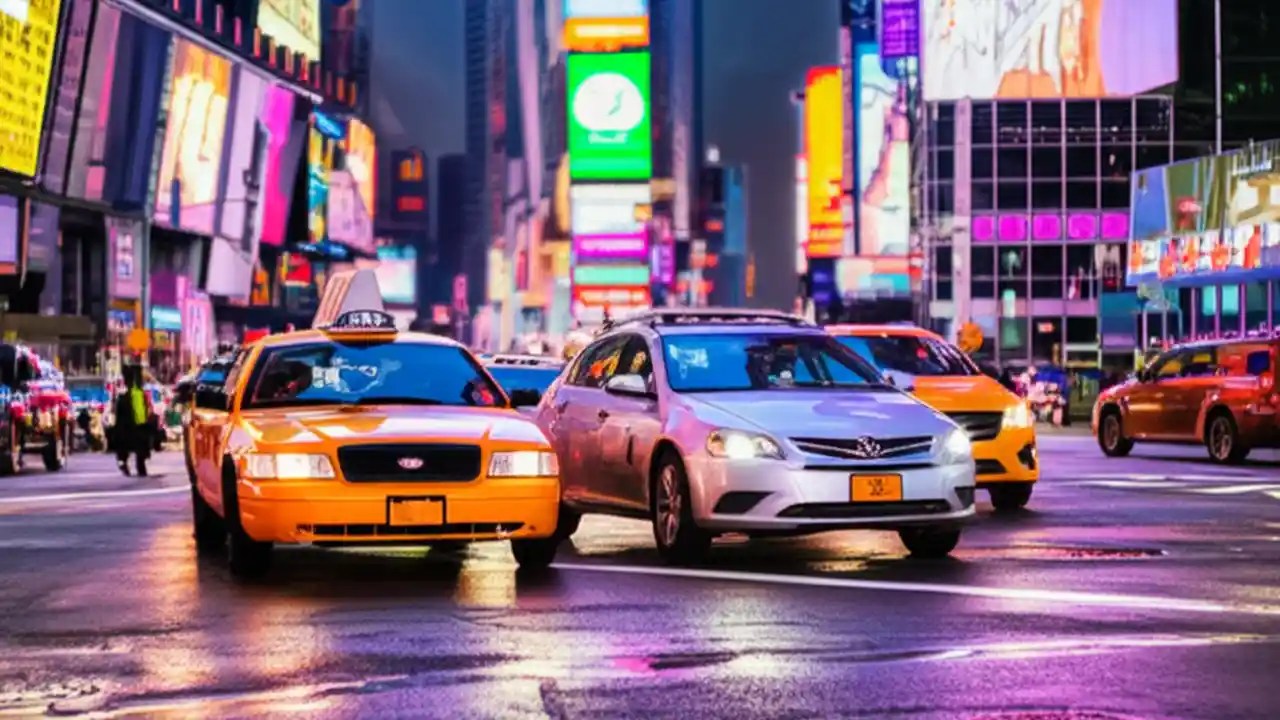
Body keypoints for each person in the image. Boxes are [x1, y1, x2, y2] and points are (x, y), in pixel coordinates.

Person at [112, 365, 155, 476]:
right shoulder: (136, 393)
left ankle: (129, 463)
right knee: (136, 442)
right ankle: (132, 464)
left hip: (134, 423)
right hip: (135, 423)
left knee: (132, 443)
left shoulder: (134, 393)